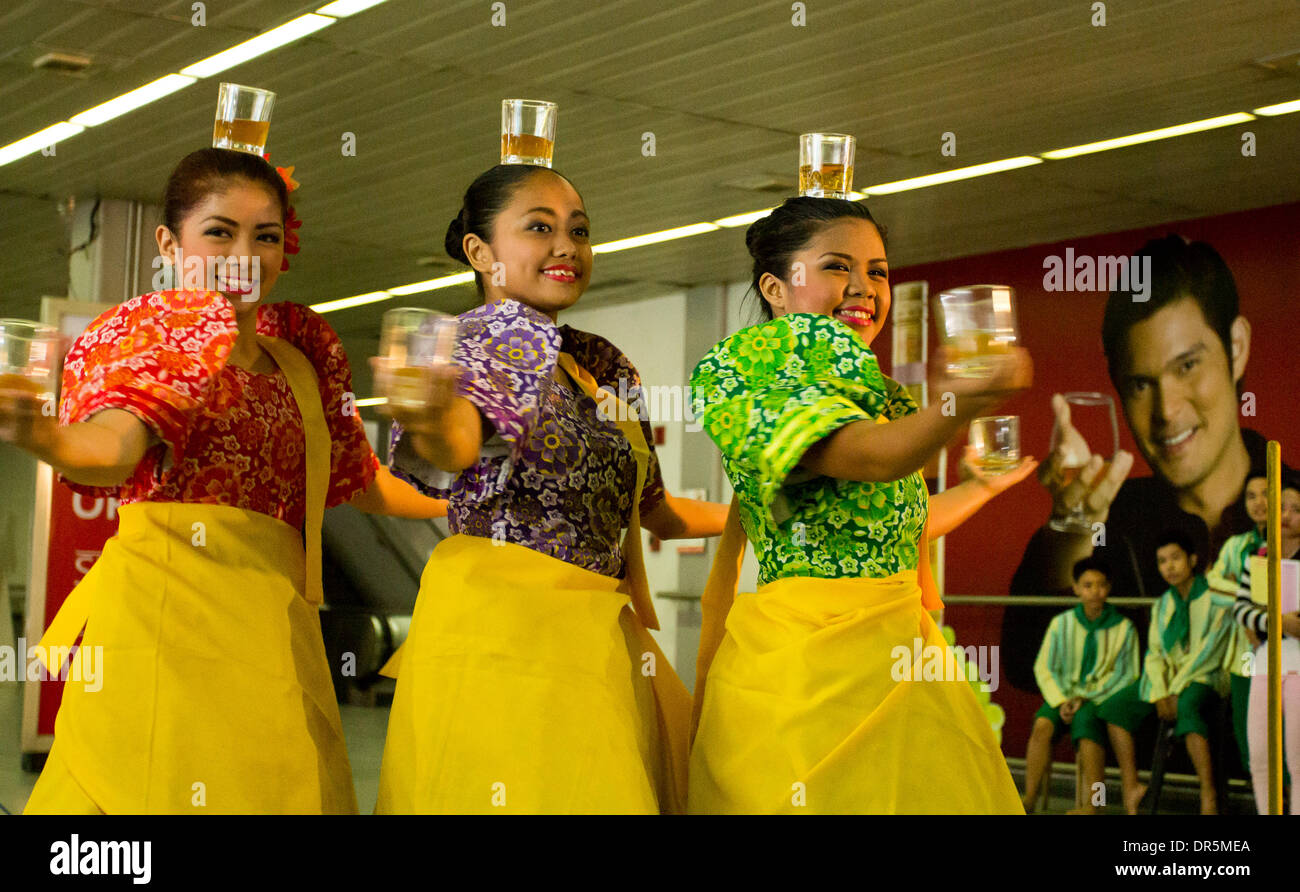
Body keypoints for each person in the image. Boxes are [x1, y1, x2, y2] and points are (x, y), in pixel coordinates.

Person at [1, 148, 444, 814]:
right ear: (169, 243)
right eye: (219, 231)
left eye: (264, 236)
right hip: (164, 625)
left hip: (273, 626)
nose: (245, 253)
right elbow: (114, 446)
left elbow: (356, 480)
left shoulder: (300, 354)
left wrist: (465, 500)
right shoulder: (153, 335)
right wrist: (44, 437)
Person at [374, 163, 728, 814]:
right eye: (540, 227)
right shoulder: (475, 344)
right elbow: (456, 444)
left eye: (579, 229)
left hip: (597, 637)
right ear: (481, 252)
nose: (566, 245)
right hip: (506, 638)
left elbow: (658, 513)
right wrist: (424, 414)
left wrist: (756, 515)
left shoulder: (601, 363)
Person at [687, 195, 1032, 813]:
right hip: (810, 672)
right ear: (776, 287)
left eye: (877, 270)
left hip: (905, 664)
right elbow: (870, 457)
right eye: (836, 268)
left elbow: (897, 526)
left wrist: (979, 485)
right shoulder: (744, 370)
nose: (863, 288)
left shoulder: (882, 396)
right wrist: (955, 406)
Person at [1006, 235, 1298, 690]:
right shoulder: (1110, 524)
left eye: (1187, 367)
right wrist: (1072, 531)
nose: (1166, 411)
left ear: (1236, 348)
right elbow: (1030, 667)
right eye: (1141, 384)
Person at [1099, 529, 1232, 814]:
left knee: (1188, 704)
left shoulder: (1215, 597)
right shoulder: (1163, 604)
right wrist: (1159, 691)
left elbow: (1209, 652)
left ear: (1192, 559)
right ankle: (1132, 787)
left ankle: (1208, 794)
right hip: (1169, 681)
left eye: (1175, 558)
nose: (1169, 567)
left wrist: (1174, 689)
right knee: (1115, 708)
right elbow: (1155, 654)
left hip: (1204, 676)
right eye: (1162, 561)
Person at [1021, 556, 1142, 814]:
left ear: (1108, 588)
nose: (1094, 592)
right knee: (1042, 725)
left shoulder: (1124, 628)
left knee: (1087, 727)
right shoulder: (1061, 624)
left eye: (1100, 585)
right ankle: (1028, 797)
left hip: (1096, 701)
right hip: (1062, 697)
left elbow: (1126, 675)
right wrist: (1061, 700)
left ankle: (1092, 804)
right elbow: (1043, 667)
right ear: (1076, 588)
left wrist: (1087, 697)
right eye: (1087, 585)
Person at [1230, 477, 1300, 814]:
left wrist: (1279, 620)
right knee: (1260, 756)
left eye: (1296, 509)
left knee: (1298, 760)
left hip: (1299, 662)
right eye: (1281, 506)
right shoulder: (1258, 557)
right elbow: (1242, 609)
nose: (1286, 514)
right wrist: (1278, 621)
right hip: (1265, 661)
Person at [1206, 471, 1269, 778]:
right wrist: (1249, 598)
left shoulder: (1289, 545)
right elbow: (1211, 586)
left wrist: (1243, 597)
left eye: (1266, 493)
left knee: (1286, 737)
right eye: (1251, 496)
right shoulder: (1237, 546)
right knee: (1250, 741)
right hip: (1243, 655)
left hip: (1284, 655)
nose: (1259, 502)